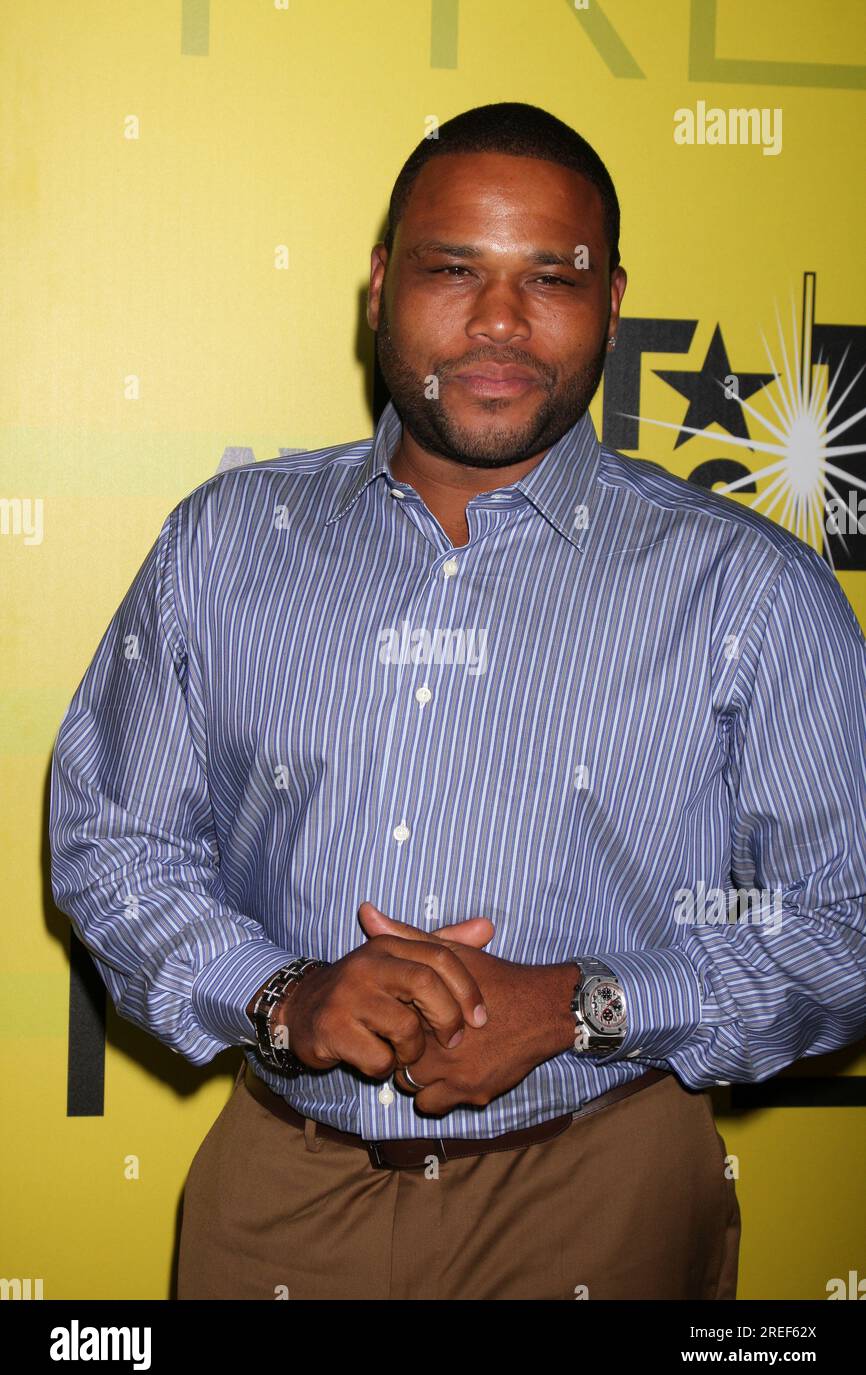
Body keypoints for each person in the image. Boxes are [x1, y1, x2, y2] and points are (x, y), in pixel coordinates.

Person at [49, 101, 866, 1301]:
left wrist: (589, 1004)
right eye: (451, 269)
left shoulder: (745, 588)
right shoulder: (223, 546)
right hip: (283, 1194)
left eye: (552, 276)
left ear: (612, 300)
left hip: (605, 1196)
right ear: (379, 286)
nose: (499, 322)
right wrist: (282, 993)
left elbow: (847, 922)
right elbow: (112, 847)